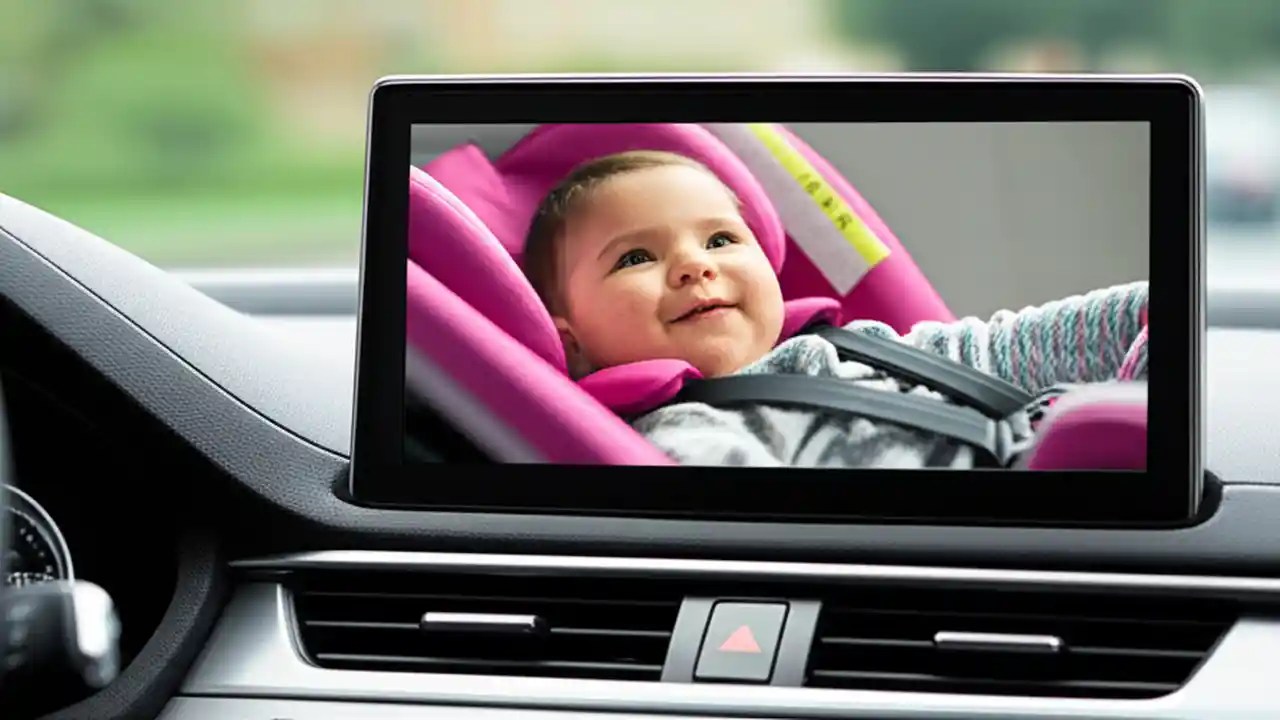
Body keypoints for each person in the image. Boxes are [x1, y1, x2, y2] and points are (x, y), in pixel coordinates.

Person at [522, 150, 1149, 468]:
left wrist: (1144, 314)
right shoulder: (687, 437)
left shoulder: (857, 347)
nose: (695, 265)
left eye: (720, 240)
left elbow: (996, 352)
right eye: (635, 258)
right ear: (571, 340)